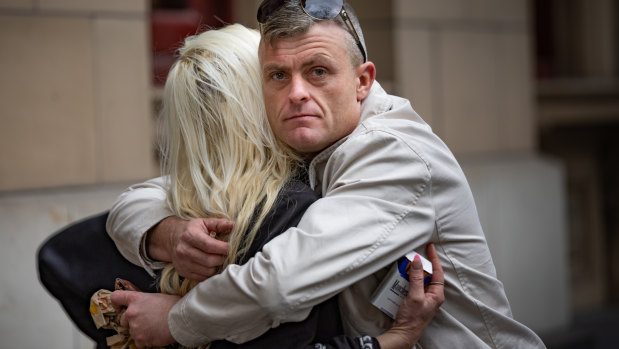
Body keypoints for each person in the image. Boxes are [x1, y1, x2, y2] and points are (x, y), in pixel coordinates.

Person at [108, 0, 546, 348]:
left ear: (362, 82)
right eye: (278, 75)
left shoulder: (395, 153)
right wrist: (168, 234)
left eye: (318, 72)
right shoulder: (312, 139)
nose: (297, 93)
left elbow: (278, 284)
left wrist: (174, 321)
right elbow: (138, 200)